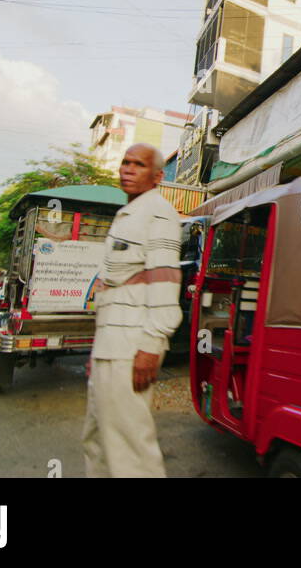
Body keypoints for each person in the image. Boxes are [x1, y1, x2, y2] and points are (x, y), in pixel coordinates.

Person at [82, 143, 182, 477]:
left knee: (129, 449)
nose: (127, 169)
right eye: (125, 162)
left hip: (131, 345)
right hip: (110, 344)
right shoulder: (129, 213)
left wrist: (151, 346)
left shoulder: (159, 213)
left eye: (137, 164)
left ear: (157, 176)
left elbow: (166, 283)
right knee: (97, 439)